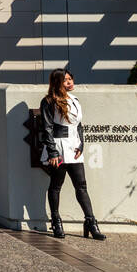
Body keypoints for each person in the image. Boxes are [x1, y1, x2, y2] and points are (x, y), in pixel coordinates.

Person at [37, 68, 106, 240]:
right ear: (57, 83)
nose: (70, 82)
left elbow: (79, 126)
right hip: (58, 148)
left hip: (74, 149)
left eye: (71, 79)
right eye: (65, 80)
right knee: (56, 185)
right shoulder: (48, 101)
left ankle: (91, 222)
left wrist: (81, 145)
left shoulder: (75, 100)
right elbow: (46, 128)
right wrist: (53, 152)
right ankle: (56, 221)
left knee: (81, 186)